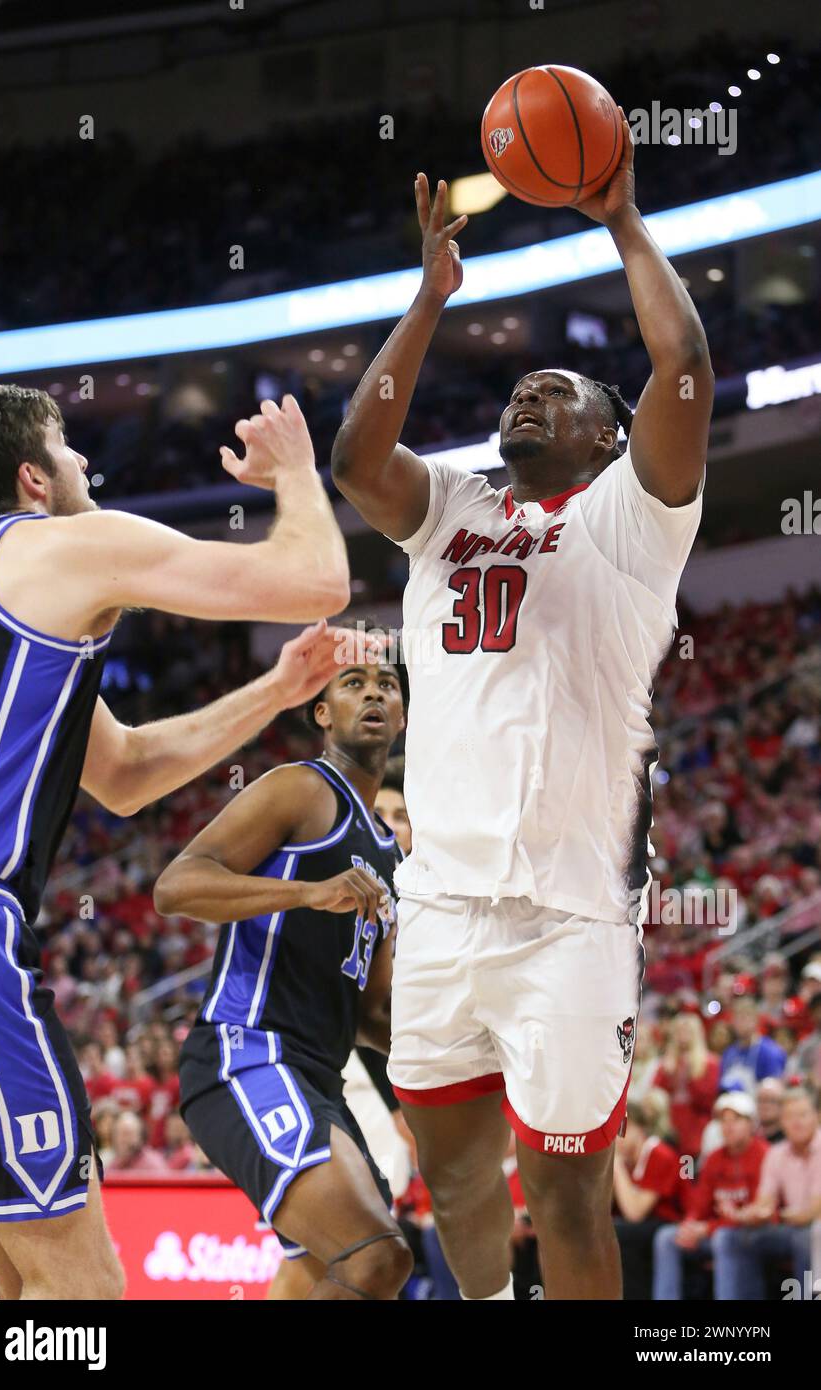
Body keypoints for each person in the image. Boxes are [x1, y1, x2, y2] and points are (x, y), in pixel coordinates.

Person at [331, 111, 713, 1299]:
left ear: (608, 437)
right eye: (519, 390)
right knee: (450, 1175)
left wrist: (620, 219)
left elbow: (683, 368)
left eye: (558, 392)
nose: (528, 399)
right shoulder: (450, 505)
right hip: (439, 904)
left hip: (568, 915)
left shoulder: (628, 520)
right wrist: (430, 296)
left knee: (566, 1200)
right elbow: (355, 458)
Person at [0, 385, 350, 1300]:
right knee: (83, 1295)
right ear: (32, 478)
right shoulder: (60, 544)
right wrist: (295, 471)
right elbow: (316, 582)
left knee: (17, 1278)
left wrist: (273, 694)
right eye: (68, 449)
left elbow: (125, 772)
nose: (87, 466)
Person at [154, 647, 413, 1300]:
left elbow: (372, 1016)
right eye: (355, 684)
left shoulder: (388, 853)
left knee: (341, 1271)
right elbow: (176, 886)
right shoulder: (300, 787)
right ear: (323, 713)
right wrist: (305, 894)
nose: (375, 694)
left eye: (388, 686)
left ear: (405, 715)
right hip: (246, 1052)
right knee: (378, 1258)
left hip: (317, 1075)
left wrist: (466, 1046)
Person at [652, 1092, 768, 1300]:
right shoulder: (714, 1158)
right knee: (666, 1237)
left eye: (736, 1119)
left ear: (752, 1124)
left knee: (724, 1239)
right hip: (715, 1230)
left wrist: (708, 1228)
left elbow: (758, 1213)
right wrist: (690, 1224)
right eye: (723, 1120)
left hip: (751, 1232)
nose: (728, 1126)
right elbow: (699, 1203)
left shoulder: (764, 1155)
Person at [724, 1087, 821, 1299]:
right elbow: (764, 1201)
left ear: (817, 1116)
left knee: (810, 1235)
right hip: (792, 1228)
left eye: (803, 1115)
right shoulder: (776, 1153)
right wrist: (749, 1214)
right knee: (740, 1238)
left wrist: (779, 1214)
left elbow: (815, 1210)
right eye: (789, 1116)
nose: (797, 1123)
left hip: (812, 1228)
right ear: (781, 1122)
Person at [612, 1091, 684, 1300]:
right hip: (646, 1225)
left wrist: (615, 1165)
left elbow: (635, 1213)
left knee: (616, 1233)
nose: (618, 1136)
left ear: (641, 1128)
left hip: (671, 1222)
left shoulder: (659, 1153)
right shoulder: (629, 1159)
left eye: (624, 1128)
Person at [652, 1011, 719, 1158]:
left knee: (688, 1171)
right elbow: (655, 1098)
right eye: (678, 1031)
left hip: (695, 1126)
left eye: (687, 1031)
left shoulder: (709, 1063)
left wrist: (690, 1076)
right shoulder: (666, 1062)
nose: (682, 1035)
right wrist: (667, 1075)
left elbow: (707, 1101)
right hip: (669, 1125)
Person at [719, 997, 787, 1094]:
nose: (741, 1023)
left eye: (745, 1018)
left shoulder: (770, 1052)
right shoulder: (729, 1053)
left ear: (756, 1020)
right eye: (737, 1018)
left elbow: (775, 1089)